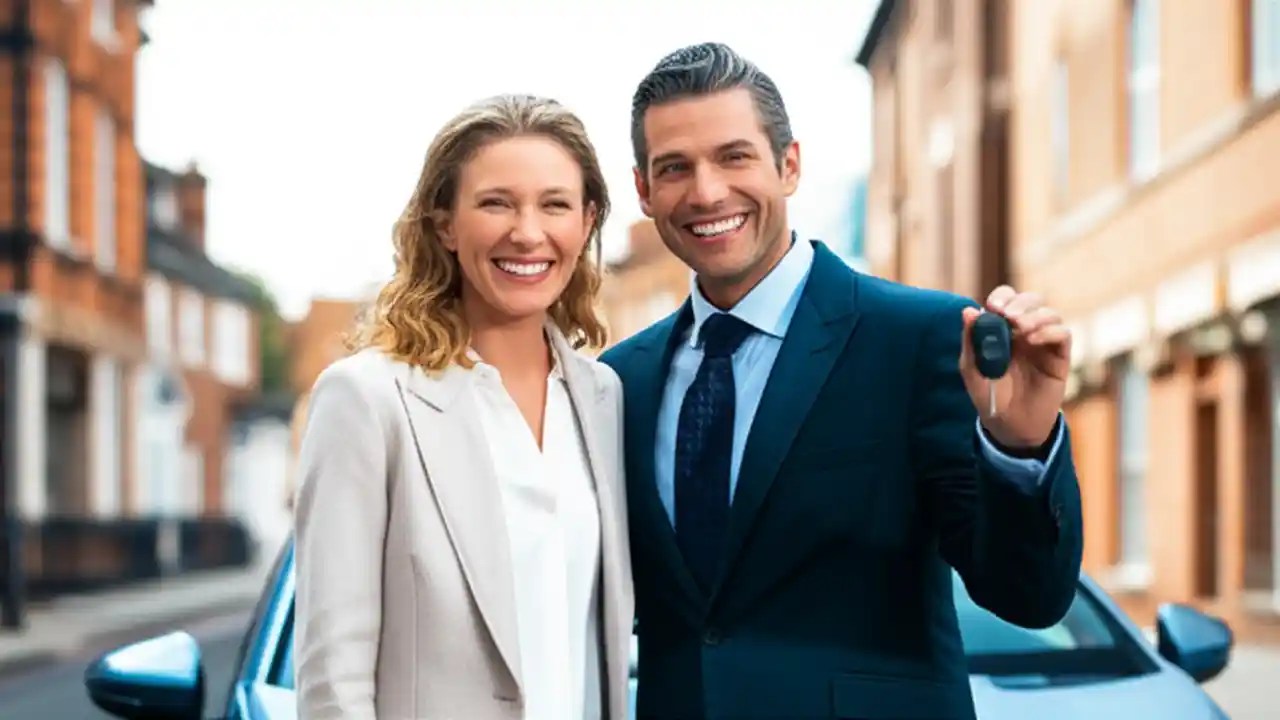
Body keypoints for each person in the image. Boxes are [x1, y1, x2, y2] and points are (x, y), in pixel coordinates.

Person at [600, 43, 1083, 720]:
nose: (707, 191)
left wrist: (1021, 446)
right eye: (675, 167)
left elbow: (1029, 597)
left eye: (734, 156)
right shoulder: (618, 383)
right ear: (645, 191)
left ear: (788, 164)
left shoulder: (924, 340)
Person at [293, 94, 634, 720]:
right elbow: (331, 678)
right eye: (496, 202)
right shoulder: (368, 400)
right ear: (445, 223)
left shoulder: (604, 398)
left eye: (554, 204)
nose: (527, 232)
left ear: (586, 222)